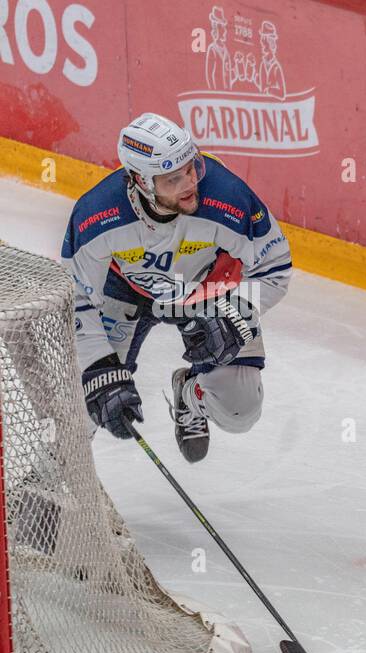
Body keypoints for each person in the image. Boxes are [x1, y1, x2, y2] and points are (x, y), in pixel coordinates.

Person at [62, 112, 292, 462]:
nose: (189, 183)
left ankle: (189, 394)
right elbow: (76, 297)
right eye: (173, 179)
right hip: (123, 292)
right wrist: (98, 367)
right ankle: (51, 475)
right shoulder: (97, 215)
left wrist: (234, 315)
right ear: (141, 181)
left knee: (239, 408)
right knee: (82, 399)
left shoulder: (228, 197)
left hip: (208, 294)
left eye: (191, 168)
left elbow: (275, 267)